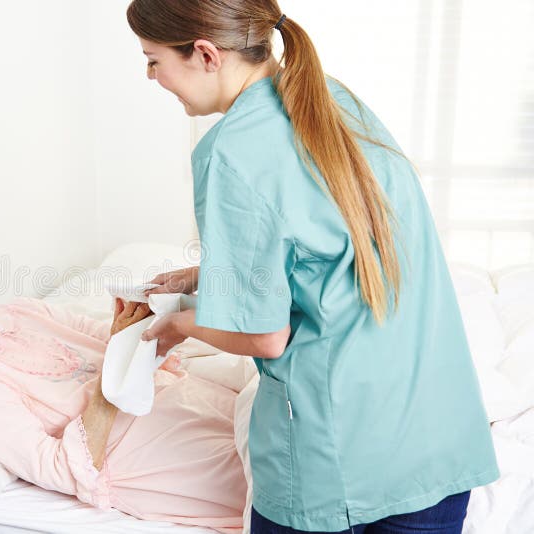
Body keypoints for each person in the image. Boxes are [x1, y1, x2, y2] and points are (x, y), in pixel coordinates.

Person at [125, 1, 500, 533]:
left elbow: (264, 337)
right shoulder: (329, 98)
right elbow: (331, 243)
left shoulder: (231, 151)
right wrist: (210, 275)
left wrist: (178, 325)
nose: (151, 77)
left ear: (206, 54)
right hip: (437, 442)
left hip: (342, 464)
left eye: (153, 60)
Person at [0, 251, 247, 533]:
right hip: (145, 453)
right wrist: (116, 366)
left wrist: (135, 320)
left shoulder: (19, 312)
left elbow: (103, 336)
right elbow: (59, 468)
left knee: (271, 425)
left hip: (181, 397)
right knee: (267, 481)